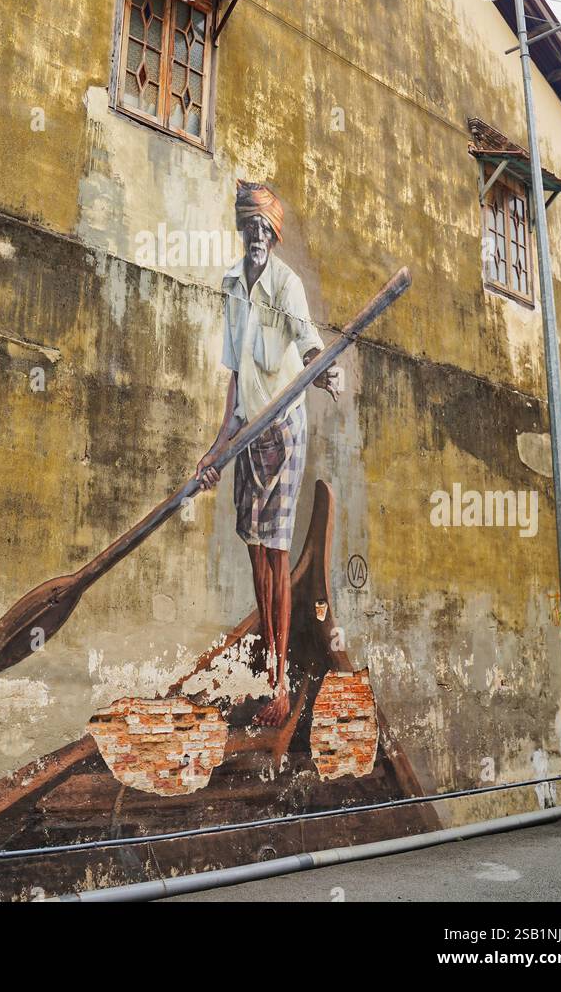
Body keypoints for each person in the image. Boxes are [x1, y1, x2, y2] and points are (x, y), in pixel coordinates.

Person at [196, 180, 338, 727]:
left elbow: (309, 349)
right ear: (242, 229)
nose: (256, 235)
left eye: (264, 228)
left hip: (284, 430)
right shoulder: (233, 286)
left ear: (274, 235)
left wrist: (325, 373)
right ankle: (269, 667)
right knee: (255, 550)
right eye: (249, 226)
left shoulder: (287, 285)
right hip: (249, 434)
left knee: (278, 554)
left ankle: (279, 685)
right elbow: (236, 381)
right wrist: (217, 449)